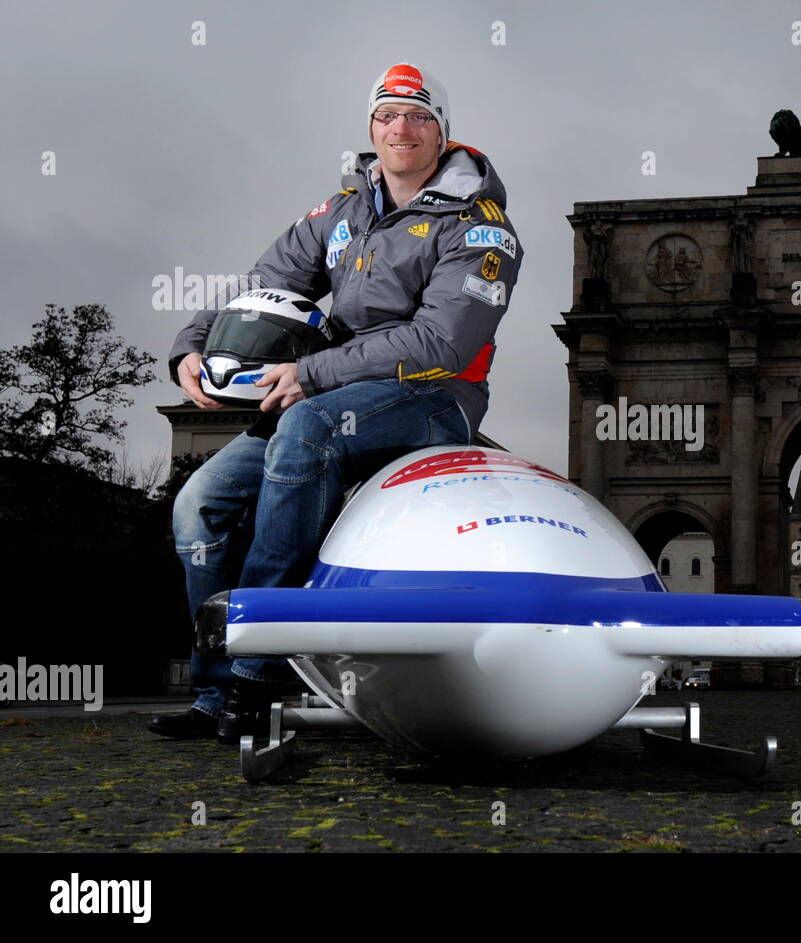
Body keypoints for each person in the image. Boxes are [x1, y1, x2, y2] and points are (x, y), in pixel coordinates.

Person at [150, 62, 524, 742]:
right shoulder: (343, 210)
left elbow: (441, 339)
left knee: (307, 431)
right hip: (328, 387)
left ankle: (257, 679)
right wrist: (191, 344)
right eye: (385, 116)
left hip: (436, 396)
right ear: (371, 129)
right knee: (197, 504)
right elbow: (262, 283)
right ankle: (213, 692)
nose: (399, 128)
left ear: (443, 131)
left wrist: (314, 373)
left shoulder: (482, 228)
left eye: (417, 115)